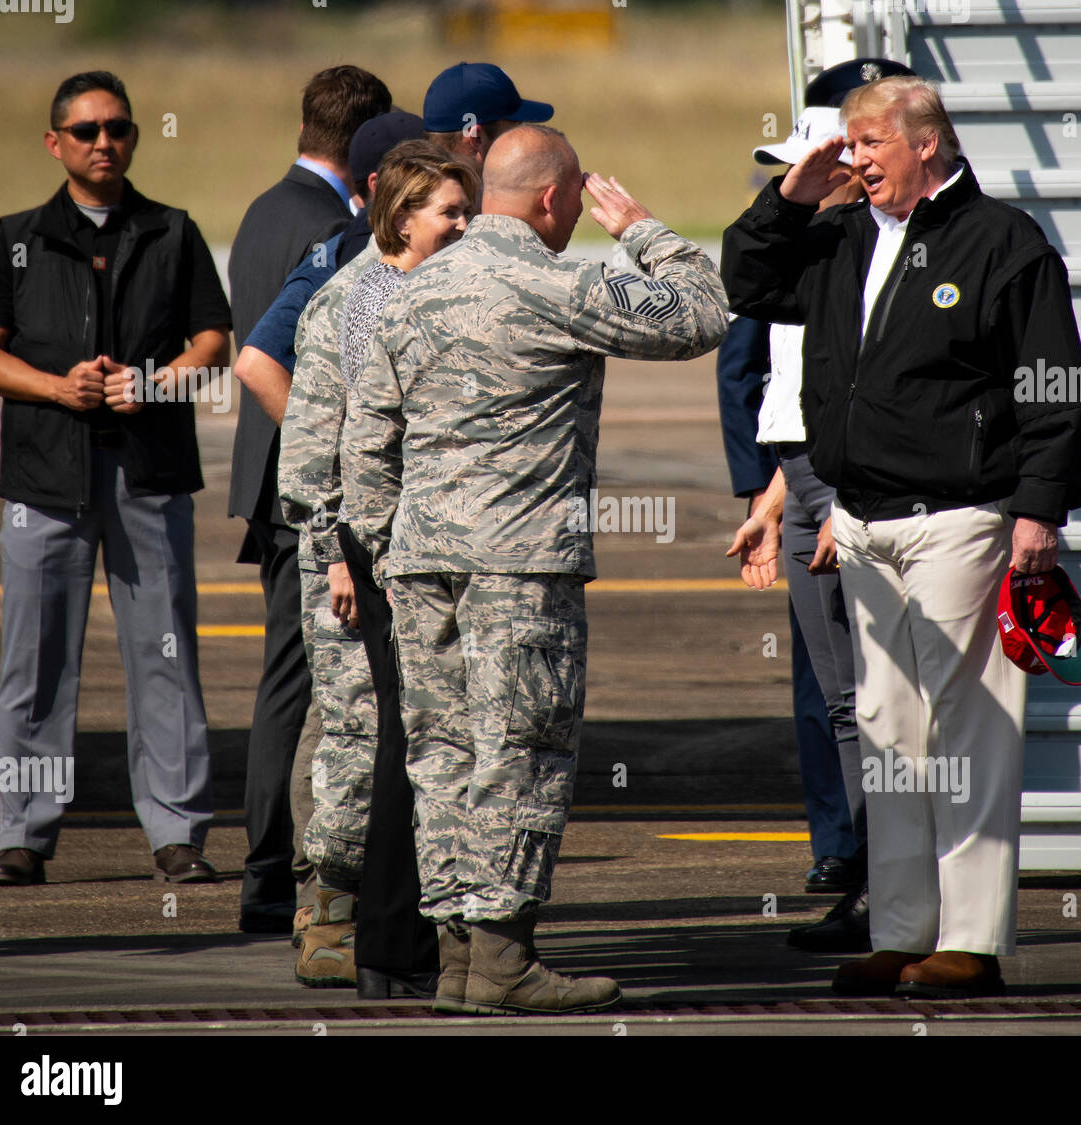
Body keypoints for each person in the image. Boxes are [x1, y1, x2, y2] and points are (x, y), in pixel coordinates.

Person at [342, 124, 728, 1015]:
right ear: (553, 201)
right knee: (522, 751)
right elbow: (701, 312)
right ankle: (506, 958)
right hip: (517, 566)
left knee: (441, 756)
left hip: (422, 564)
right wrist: (643, 229)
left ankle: (456, 963)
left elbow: (366, 446)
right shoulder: (558, 282)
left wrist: (386, 549)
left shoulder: (407, 290)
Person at [722, 76, 1081, 997]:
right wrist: (791, 193)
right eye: (847, 146)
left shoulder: (1003, 240)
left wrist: (1040, 509)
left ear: (925, 143)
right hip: (862, 521)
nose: (855, 159)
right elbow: (747, 278)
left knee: (969, 726)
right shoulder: (845, 234)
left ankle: (970, 938)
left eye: (868, 143)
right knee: (891, 728)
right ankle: (901, 928)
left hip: (960, 522)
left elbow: (1055, 383)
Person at [0, 71, 230, 886]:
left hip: (147, 474)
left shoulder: (172, 231)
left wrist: (152, 383)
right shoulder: (18, 236)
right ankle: (22, 833)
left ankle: (177, 832)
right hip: (45, 476)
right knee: (35, 659)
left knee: (164, 653)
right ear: (56, 143)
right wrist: (58, 388)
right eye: (85, 131)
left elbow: (214, 345)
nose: (103, 142)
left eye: (117, 128)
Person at [279, 140, 478, 990]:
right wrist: (336, 556)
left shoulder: (435, 291)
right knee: (356, 735)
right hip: (353, 555)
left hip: (419, 551)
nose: (465, 225)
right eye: (449, 213)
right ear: (401, 218)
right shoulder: (357, 303)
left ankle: (415, 921)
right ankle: (328, 912)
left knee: (419, 740)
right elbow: (316, 447)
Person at [726, 58, 915, 953]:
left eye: (817, 170)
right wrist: (775, 495)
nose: (796, 189)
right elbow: (786, 366)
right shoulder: (825, 252)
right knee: (846, 701)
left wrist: (849, 499)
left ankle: (901, 886)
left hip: (848, 484)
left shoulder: (889, 253)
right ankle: (872, 881)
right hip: (801, 476)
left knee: (883, 700)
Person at [227, 65, 392, 934]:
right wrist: (324, 450)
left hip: (263, 478)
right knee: (302, 685)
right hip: (302, 487)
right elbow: (271, 361)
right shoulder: (333, 227)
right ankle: (271, 874)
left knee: (286, 676)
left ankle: (269, 870)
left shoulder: (262, 208)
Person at [422, 61, 554, 170]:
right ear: (476, 138)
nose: (521, 144)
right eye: (513, 133)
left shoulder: (408, 192)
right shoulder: (471, 200)